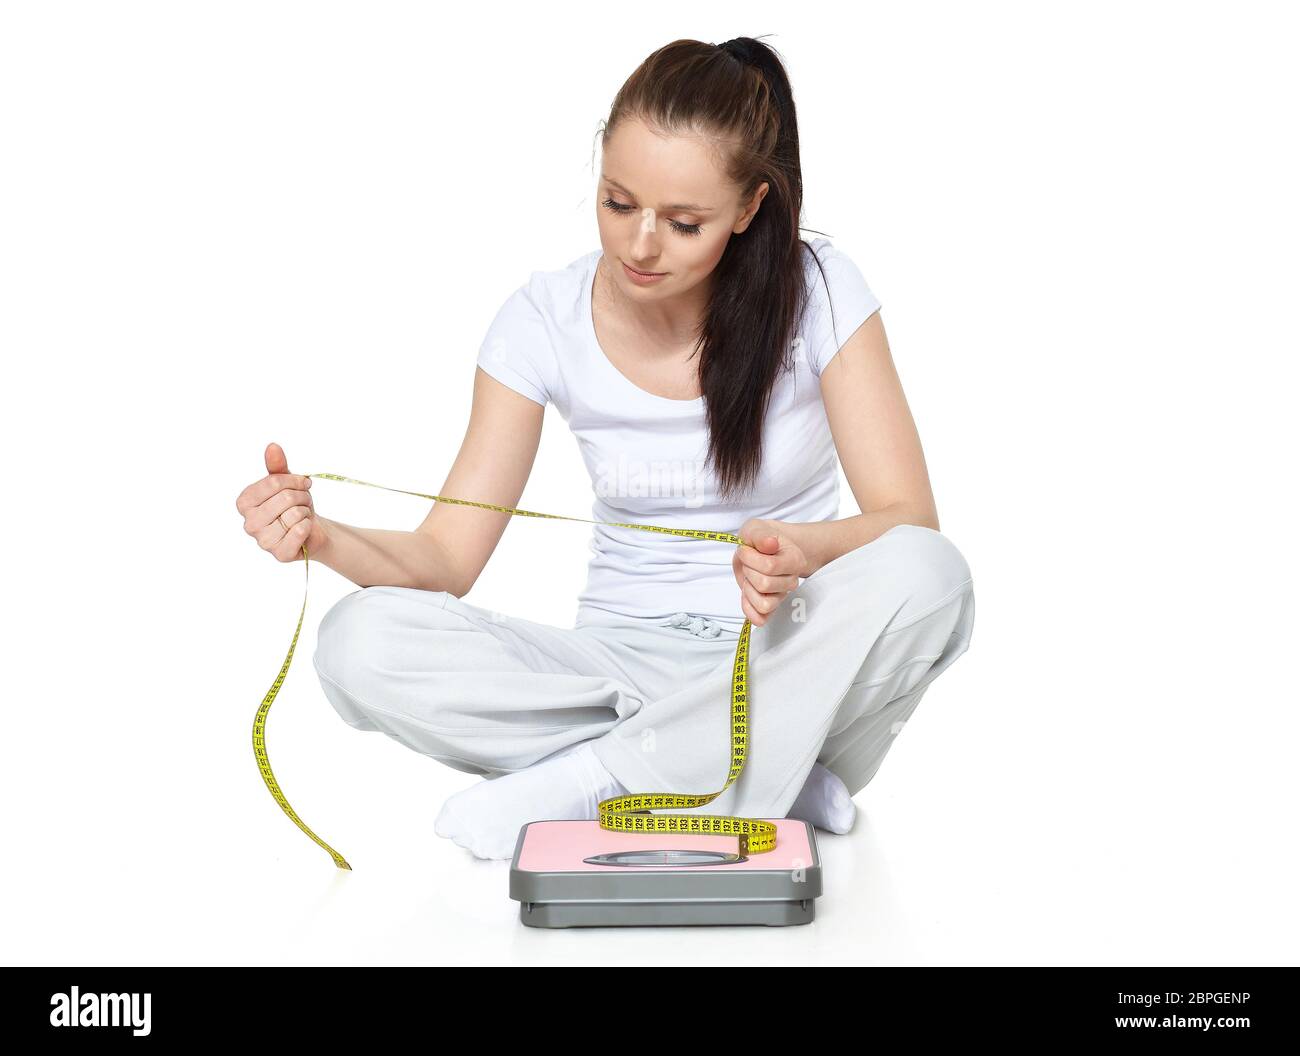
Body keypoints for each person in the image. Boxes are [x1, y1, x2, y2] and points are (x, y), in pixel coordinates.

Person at [236, 36, 976, 861]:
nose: (640, 245)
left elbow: (909, 518)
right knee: (355, 643)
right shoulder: (543, 321)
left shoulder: (823, 293)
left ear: (750, 207)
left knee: (932, 575)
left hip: (789, 656)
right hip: (613, 669)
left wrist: (806, 550)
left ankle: (595, 783)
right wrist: (322, 536)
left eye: (683, 222)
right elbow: (444, 560)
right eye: (618, 203)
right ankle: (762, 777)